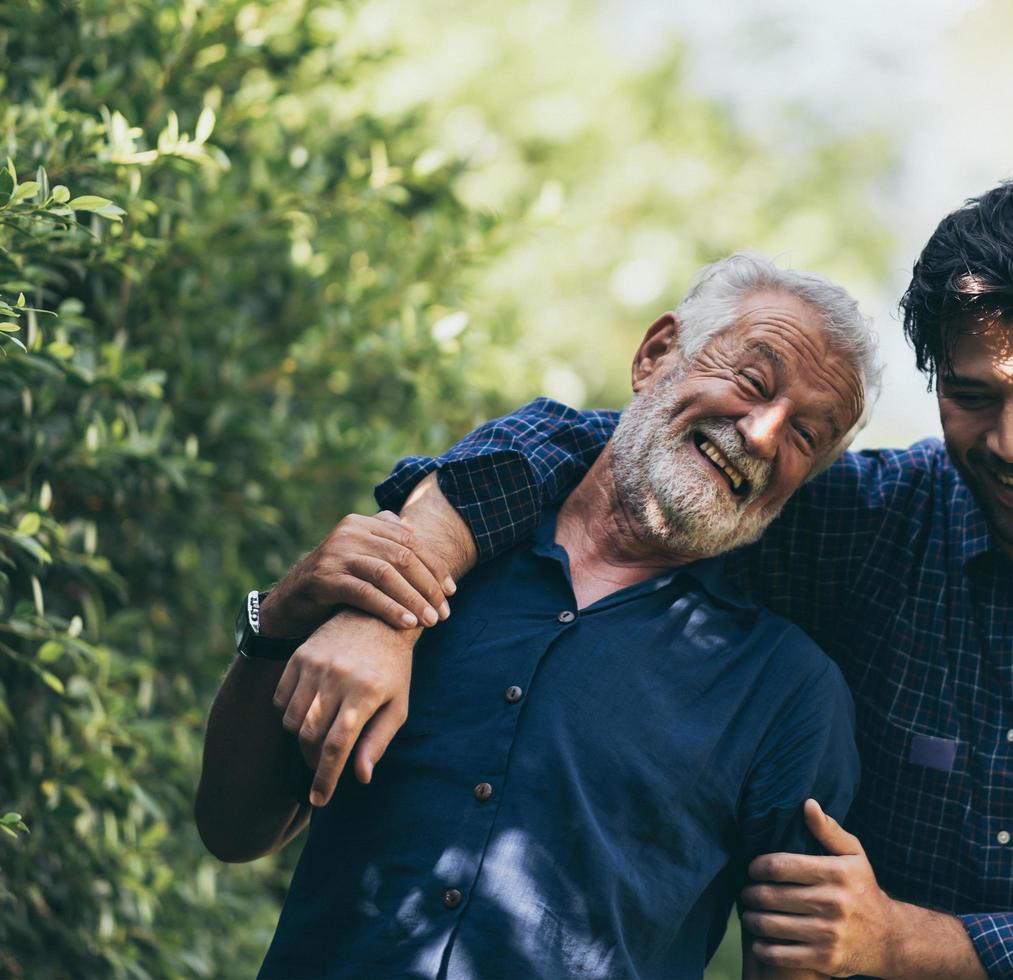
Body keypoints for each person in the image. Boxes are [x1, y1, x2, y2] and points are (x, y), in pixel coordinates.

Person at [275, 175, 1013, 979]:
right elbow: (610, 453)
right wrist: (400, 588)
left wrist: (904, 940)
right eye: (969, 397)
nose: (1009, 442)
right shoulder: (870, 523)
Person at [196, 252, 881, 978]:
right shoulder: (431, 547)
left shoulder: (790, 695)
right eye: (751, 380)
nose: (765, 433)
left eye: (808, 434)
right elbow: (234, 828)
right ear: (655, 354)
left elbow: (803, 955)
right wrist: (278, 618)